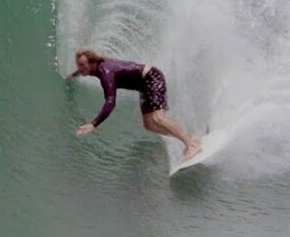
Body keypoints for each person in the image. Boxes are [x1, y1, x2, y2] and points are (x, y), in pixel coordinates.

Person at [69, 48, 202, 162]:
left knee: (158, 118)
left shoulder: (105, 73)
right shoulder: (96, 69)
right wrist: (72, 76)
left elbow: (111, 102)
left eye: (82, 65)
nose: (80, 68)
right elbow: (82, 71)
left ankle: (191, 145)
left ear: (92, 63)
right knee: (149, 125)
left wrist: (93, 124)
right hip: (144, 86)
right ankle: (188, 137)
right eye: (78, 65)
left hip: (152, 78)